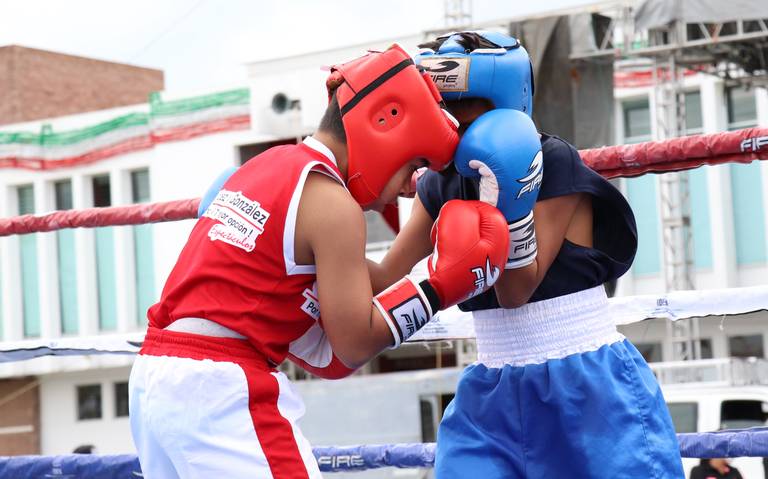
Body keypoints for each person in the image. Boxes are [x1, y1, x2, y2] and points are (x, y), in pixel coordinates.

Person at [128, 44, 510, 479]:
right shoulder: (332, 204)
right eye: (415, 164)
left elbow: (359, 304)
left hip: (155, 376)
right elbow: (353, 341)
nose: (408, 186)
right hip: (218, 387)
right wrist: (438, 287)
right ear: (388, 124)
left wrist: (435, 218)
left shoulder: (267, 166)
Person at [370, 31, 685, 478]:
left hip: (584, 385)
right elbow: (384, 276)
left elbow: (517, 288)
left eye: (461, 104)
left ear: (503, 101)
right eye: (438, 104)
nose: (448, 118)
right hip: (492, 385)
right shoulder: (439, 181)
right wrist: (323, 222)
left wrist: (508, 194)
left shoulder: (551, 161)